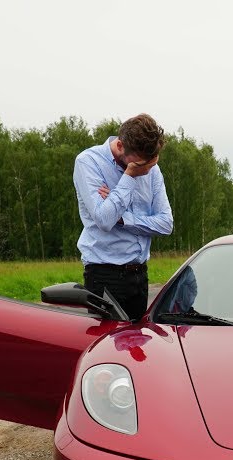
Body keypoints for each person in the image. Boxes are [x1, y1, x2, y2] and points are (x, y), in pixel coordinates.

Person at [73, 113, 174, 321]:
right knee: (108, 349)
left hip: (139, 275)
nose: (145, 171)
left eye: (149, 165)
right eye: (139, 166)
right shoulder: (88, 163)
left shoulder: (151, 168)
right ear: (120, 146)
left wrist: (123, 217)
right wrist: (129, 177)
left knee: (138, 347)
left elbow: (166, 223)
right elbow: (104, 219)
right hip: (104, 274)